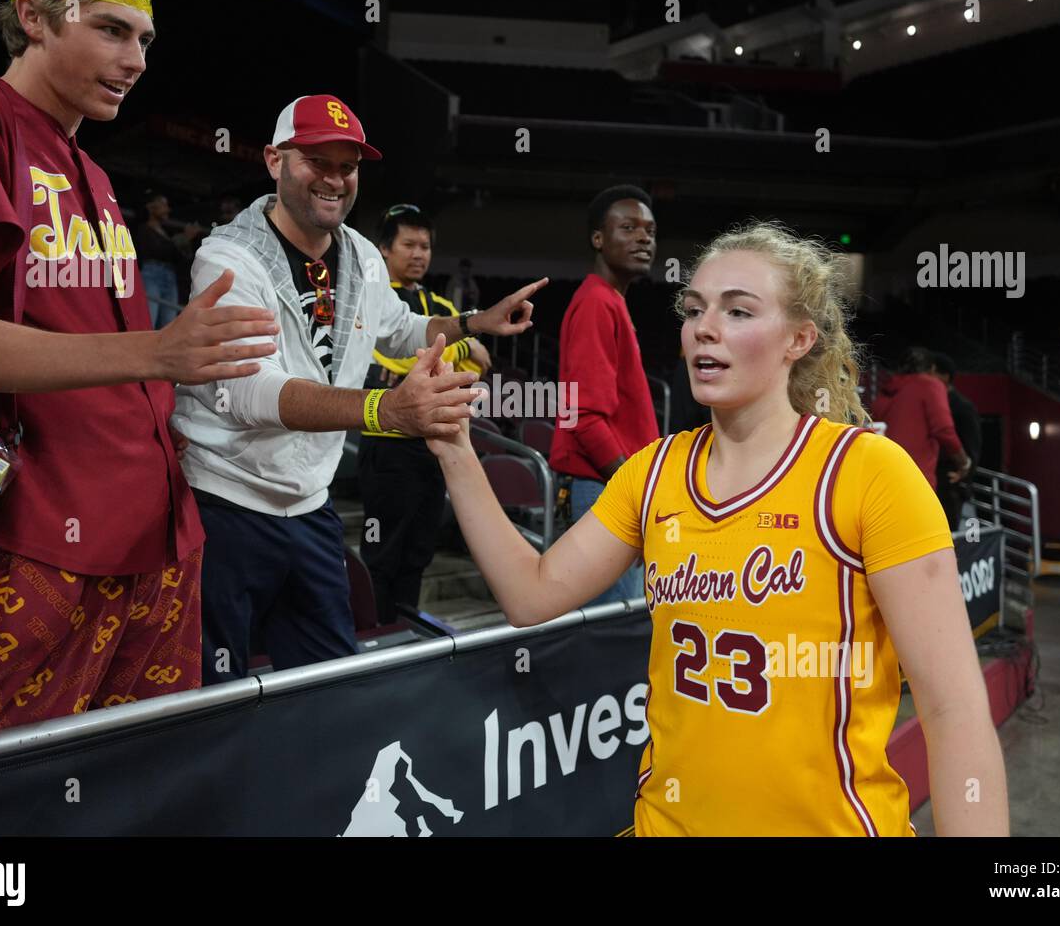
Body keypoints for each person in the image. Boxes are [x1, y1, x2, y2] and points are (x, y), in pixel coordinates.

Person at [423, 221, 1008, 835]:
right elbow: (530, 592)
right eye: (695, 309)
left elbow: (954, 712)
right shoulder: (653, 473)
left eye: (738, 311)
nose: (705, 327)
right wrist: (456, 449)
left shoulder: (868, 473)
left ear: (798, 339)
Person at [0, 0, 277, 745]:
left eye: (146, 40)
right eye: (110, 30)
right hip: (38, 538)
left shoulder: (93, 170)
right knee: (0, 803)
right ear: (32, 16)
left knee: (139, 795)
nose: (137, 60)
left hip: (164, 536)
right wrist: (160, 352)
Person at [170, 94, 544, 683]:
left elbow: (400, 331)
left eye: (348, 166)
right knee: (213, 694)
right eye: (317, 160)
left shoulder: (364, 256)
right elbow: (247, 392)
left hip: (309, 505)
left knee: (331, 687)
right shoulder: (228, 259)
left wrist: (473, 322)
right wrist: (384, 409)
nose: (335, 179)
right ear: (274, 160)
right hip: (226, 505)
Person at [359, 204, 493, 623]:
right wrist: (458, 345)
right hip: (388, 443)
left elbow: (476, 367)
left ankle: (404, 631)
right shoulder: (372, 301)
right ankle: (371, 636)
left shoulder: (437, 303)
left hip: (433, 445)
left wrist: (450, 350)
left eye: (425, 246)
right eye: (409, 244)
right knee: (383, 552)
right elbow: (387, 359)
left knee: (418, 550)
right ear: (384, 249)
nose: (419, 253)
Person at [548, 184, 660, 606]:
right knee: (610, 630)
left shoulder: (609, 300)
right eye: (628, 228)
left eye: (649, 230)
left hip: (606, 486)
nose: (643, 238)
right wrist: (635, 490)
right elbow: (585, 416)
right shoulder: (597, 302)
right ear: (598, 238)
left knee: (613, 623)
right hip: (605, 487)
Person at [870, 347, 971, 492]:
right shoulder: (930, 385)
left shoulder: (886, 391)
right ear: (932, 368)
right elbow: (944, 430)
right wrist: (964, 463)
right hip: (917, 479)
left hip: (883, 479)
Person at [135, 190, 201, 328]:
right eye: (163, 204)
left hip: (169, 276)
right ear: (151, 207)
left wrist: (185, 241)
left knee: (168, 324)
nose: (167, 209)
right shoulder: (143, 229)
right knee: (149, 320)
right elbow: (157, 251)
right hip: (152, 274)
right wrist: (183, 238)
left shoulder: (166, 234)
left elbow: (180, 258)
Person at [930, 352, 981, 531]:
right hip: (935, 478)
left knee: (950, 536)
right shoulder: (932, 401)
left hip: (951, 482)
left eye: (932, 371)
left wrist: (964, 474)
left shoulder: (962, 406)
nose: (928, 377)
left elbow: (973, 446)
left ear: (945, 376)